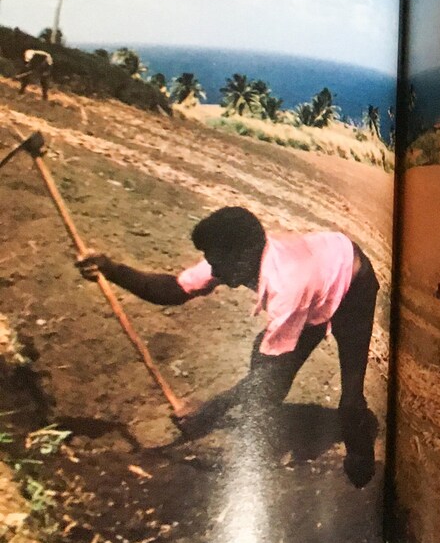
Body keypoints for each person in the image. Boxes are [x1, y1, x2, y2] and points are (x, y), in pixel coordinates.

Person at [76, 205, 380, 487]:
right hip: (317, 275)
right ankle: (262, 430)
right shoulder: (232, 259)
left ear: (242, 259)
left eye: (215, 261)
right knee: (265, 365)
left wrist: (211, 410)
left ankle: (362, 464)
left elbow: (271, 372)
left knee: (349, 395)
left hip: (352, 281)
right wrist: (111, 269)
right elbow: (173, 289)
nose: (212, 268)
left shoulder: (287, 287)